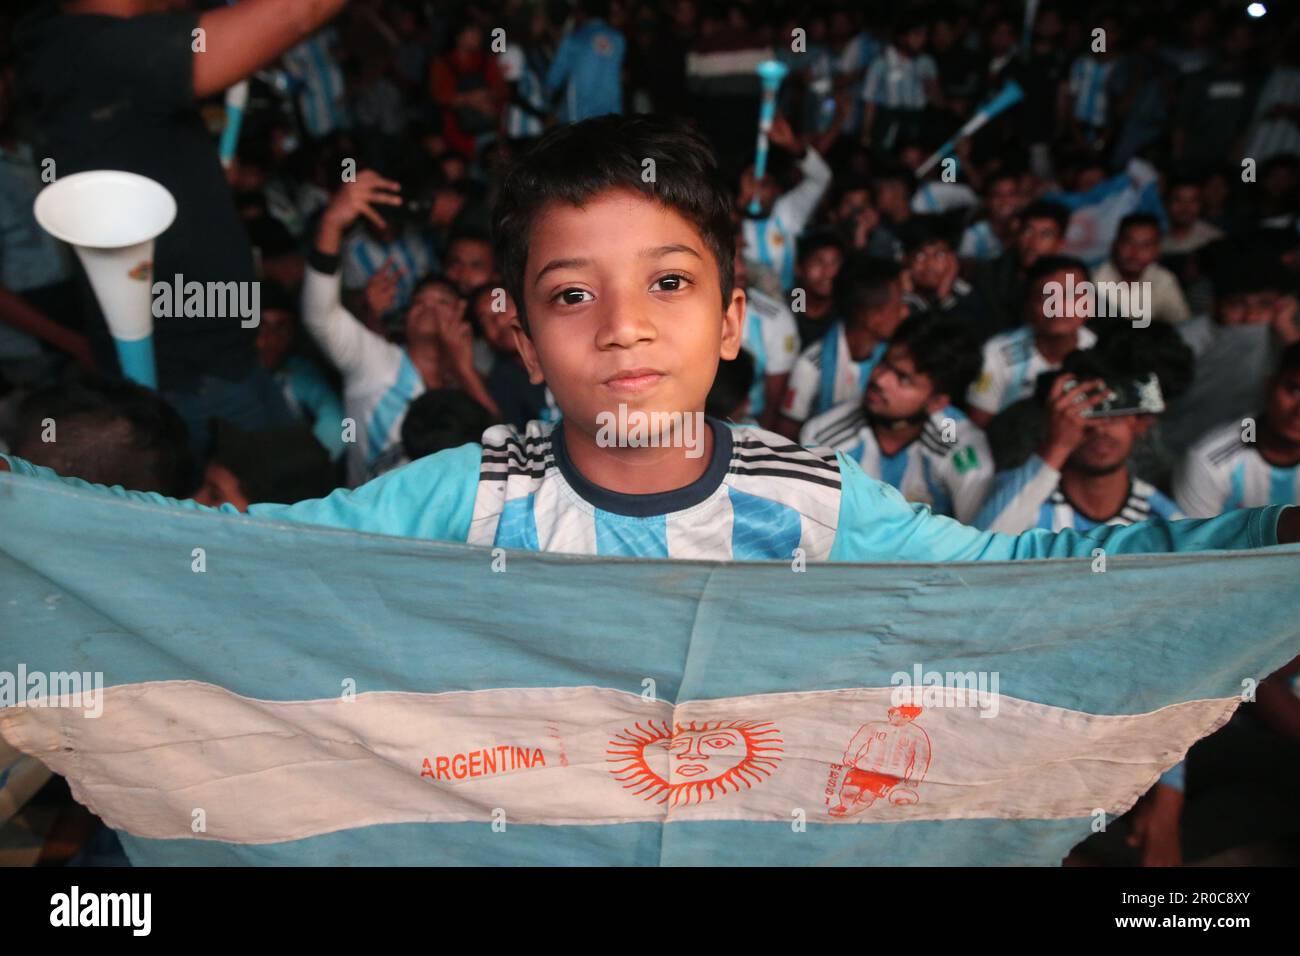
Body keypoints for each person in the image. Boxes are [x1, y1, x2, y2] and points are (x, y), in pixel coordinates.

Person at [3, 115, 1298, 565]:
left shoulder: (820, 500)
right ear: (516, 327)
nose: (622, 327)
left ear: (736, 320)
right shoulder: (463, 494)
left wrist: (1267, 539)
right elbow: (270, 564)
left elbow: (1021, 576)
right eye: (571, 295)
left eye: (670, 284)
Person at [14, 0, 348, 443]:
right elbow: (293, 13)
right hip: (189, 376)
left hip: (218, 358)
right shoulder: (94, 49)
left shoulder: (87, 57)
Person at [304, 169, 497, 484]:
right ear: (404, 322)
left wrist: (464, 371)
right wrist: (332, 224)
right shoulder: (376, 363)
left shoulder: (474, 376)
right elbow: (319, 317)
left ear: (462, 317)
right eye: (420, 303)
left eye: (443, 303)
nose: (430, 309)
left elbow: (504, 445)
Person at [802, 312, 991, 523]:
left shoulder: (961, 453)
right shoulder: (822, 434)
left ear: (937, 402)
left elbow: (978, 540)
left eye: (903, 378)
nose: (880, 379)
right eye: (884, 362)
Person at [777, 259, 909, 440]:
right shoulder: (811, 366)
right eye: (897, 306)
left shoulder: (898, 359)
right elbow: (786, 436)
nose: (905, 312)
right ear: (871, 318)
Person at [967, 256, 1098, 430]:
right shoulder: (998, 353)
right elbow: (977, 428)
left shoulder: (1102, 348)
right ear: (1029, 305)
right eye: (1047, 296)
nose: (1059, 307)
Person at [1176, 342, 1300, 516]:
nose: (1298, 411)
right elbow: (1195, 542)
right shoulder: (1210, 461)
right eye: (1294, 390)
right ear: (1270, 386)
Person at [738, 113, 834, 298]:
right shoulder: (728, 218)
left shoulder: (786, 211)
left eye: (765, 184)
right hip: (745, 308)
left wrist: (795, 147)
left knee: (798, 313)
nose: (757, 189)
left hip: (791, 299)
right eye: (751, 180)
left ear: (776, 190)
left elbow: (821, 178)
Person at [972, 199, 1070, 342]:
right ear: (1018, 235)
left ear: (1060, 244)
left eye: (1046, 235)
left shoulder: (1070, 280)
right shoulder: (988, 274)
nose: (1033, 242)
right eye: (1028, 231)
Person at [732, 231, 798, 430]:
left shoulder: (775, 318)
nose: (741, 270)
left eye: (741, 258)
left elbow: (772, 406)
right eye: (728, 260)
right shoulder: (682, 315)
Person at [1092, 213, 1191, 325]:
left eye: (1145, 245)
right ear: (1115, 245)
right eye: (1129, 243)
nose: (1135, 253)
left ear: (1156, 251)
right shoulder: (1094, 279)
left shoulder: (1163, 279)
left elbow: (1182, 324)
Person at [546, 0, 625, 123]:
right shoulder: (618, 39)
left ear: (582, 13)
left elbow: (553, 80)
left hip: (581, 118)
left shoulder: (573, 41)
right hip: (613, 117)